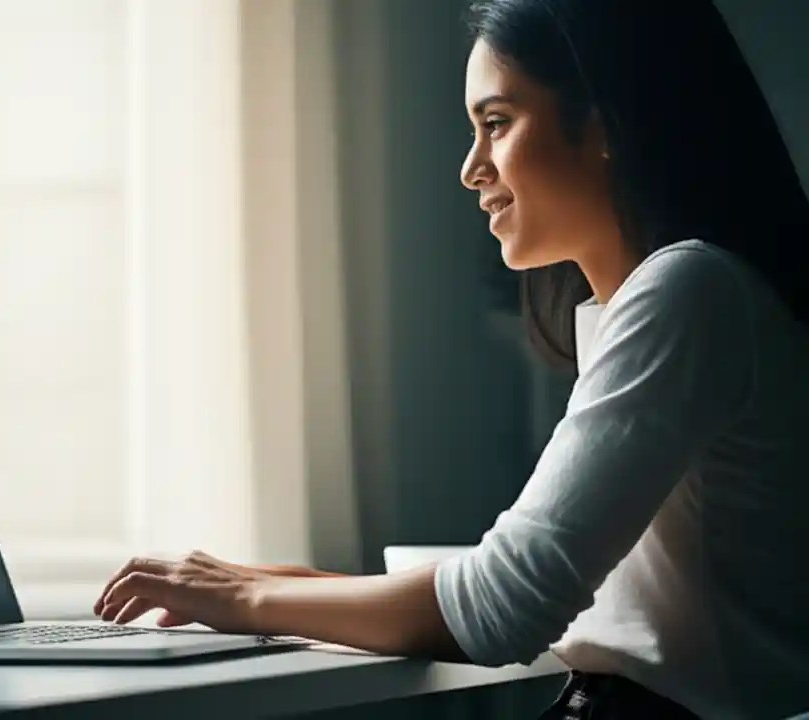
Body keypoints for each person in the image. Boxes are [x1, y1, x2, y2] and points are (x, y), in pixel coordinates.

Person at [92, 0, 809, 716]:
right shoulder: (676, 300)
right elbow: (543, 585)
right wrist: (301, 585)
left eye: (495, 123)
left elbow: (504, 606)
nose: (471, 169)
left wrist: (251, 598)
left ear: (605, 120)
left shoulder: (688, 291)